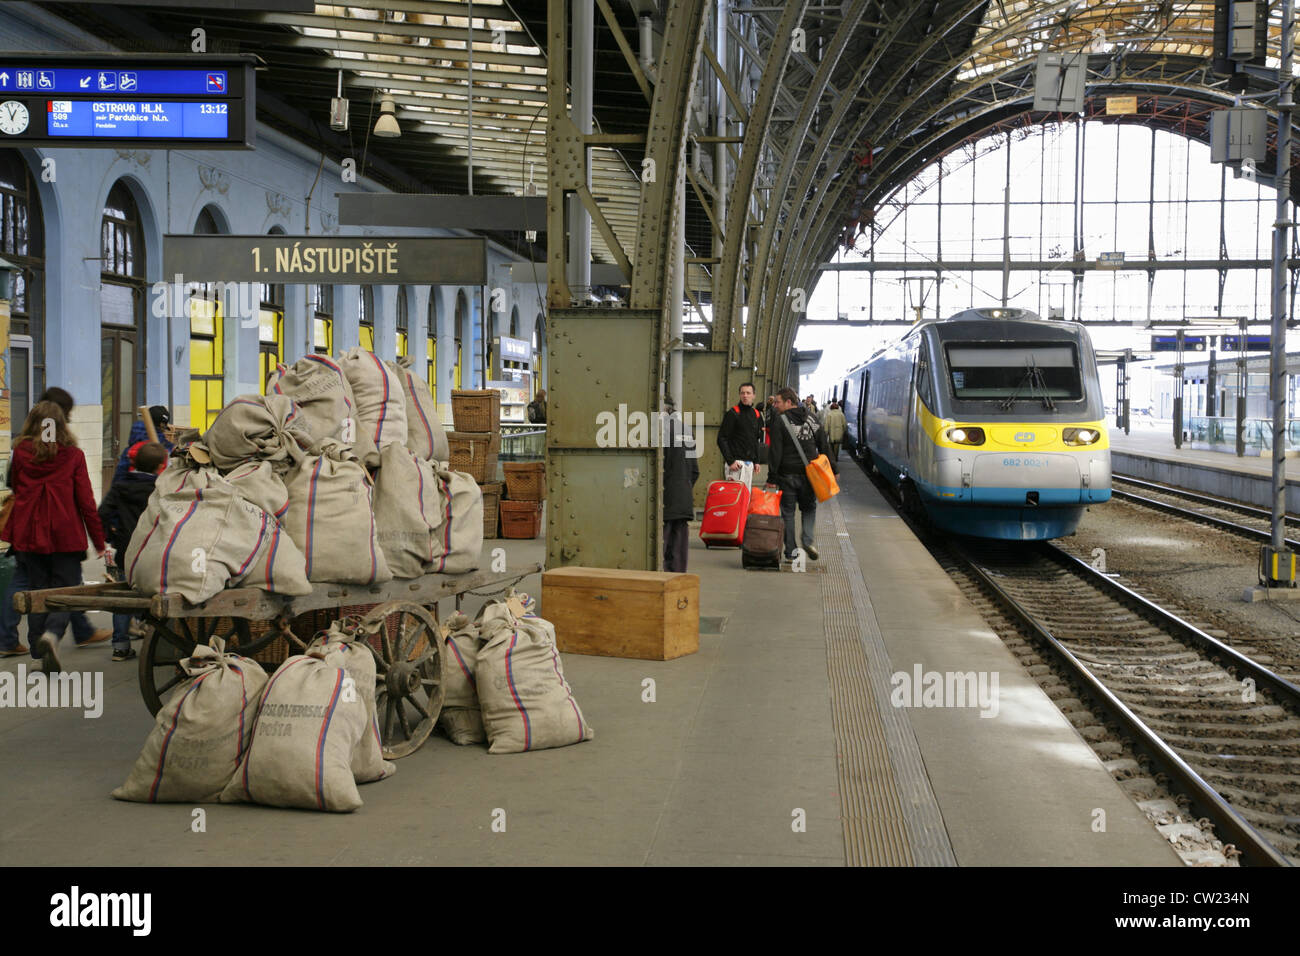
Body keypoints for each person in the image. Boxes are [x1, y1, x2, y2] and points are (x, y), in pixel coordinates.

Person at [0, 388, 111, 657]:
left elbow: (14, 486)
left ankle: (38, 650)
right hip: (65, 535)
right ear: (62, 424)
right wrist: (99, 542)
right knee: (66, 591)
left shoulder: (20, 453)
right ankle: (52, 635)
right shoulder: (73, 456)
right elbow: (86, 502)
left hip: (30, 535)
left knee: (37, 591)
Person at [98, 441, 167, 662]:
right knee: (155, 593)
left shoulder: (120, 486)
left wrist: (111, 535)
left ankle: (120, 645)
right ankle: (154, 638)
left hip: (126, 549)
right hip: (153, 549)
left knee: (123, 597)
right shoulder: (160, 488)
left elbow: (103, 513)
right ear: (159, 466)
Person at [766, 387, 836, 563]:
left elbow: (775, 452)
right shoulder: (812, 418)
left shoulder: (779, 421)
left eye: (778, 402)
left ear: (789, 402)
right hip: (810, 474)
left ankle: (791, 552)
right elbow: (824, 444)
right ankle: (807, 540)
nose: (775, 405)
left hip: (787, 474)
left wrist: (771, 478)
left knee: (788, 513)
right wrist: (834, 469)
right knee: (809, 508)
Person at [661, 397, 699, 573]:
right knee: (679, 547)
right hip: (683, 494)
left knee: (662, 545)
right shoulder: (686, 429)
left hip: (665, 497)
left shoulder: (657, 431)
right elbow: (694, 469)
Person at [716, 382, 765, 487]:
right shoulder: (733, 413)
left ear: (754, 395)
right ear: (739, 395)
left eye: (748, 393)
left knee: (745, 498)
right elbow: (721, 438)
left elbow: (756, 440)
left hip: (749, 464)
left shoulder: (756, 414)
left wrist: (757, 461)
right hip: (735, 464)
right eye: (742, 393)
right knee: (734, 499)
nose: (745, 396)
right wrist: (730, 461)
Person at [113, 405, 175, 484]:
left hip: (126, 490)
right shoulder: (162, 447)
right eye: (164, 428)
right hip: (151, 492)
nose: (164, 432)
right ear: (162, 425)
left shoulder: (129, 449)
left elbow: (118, 476)